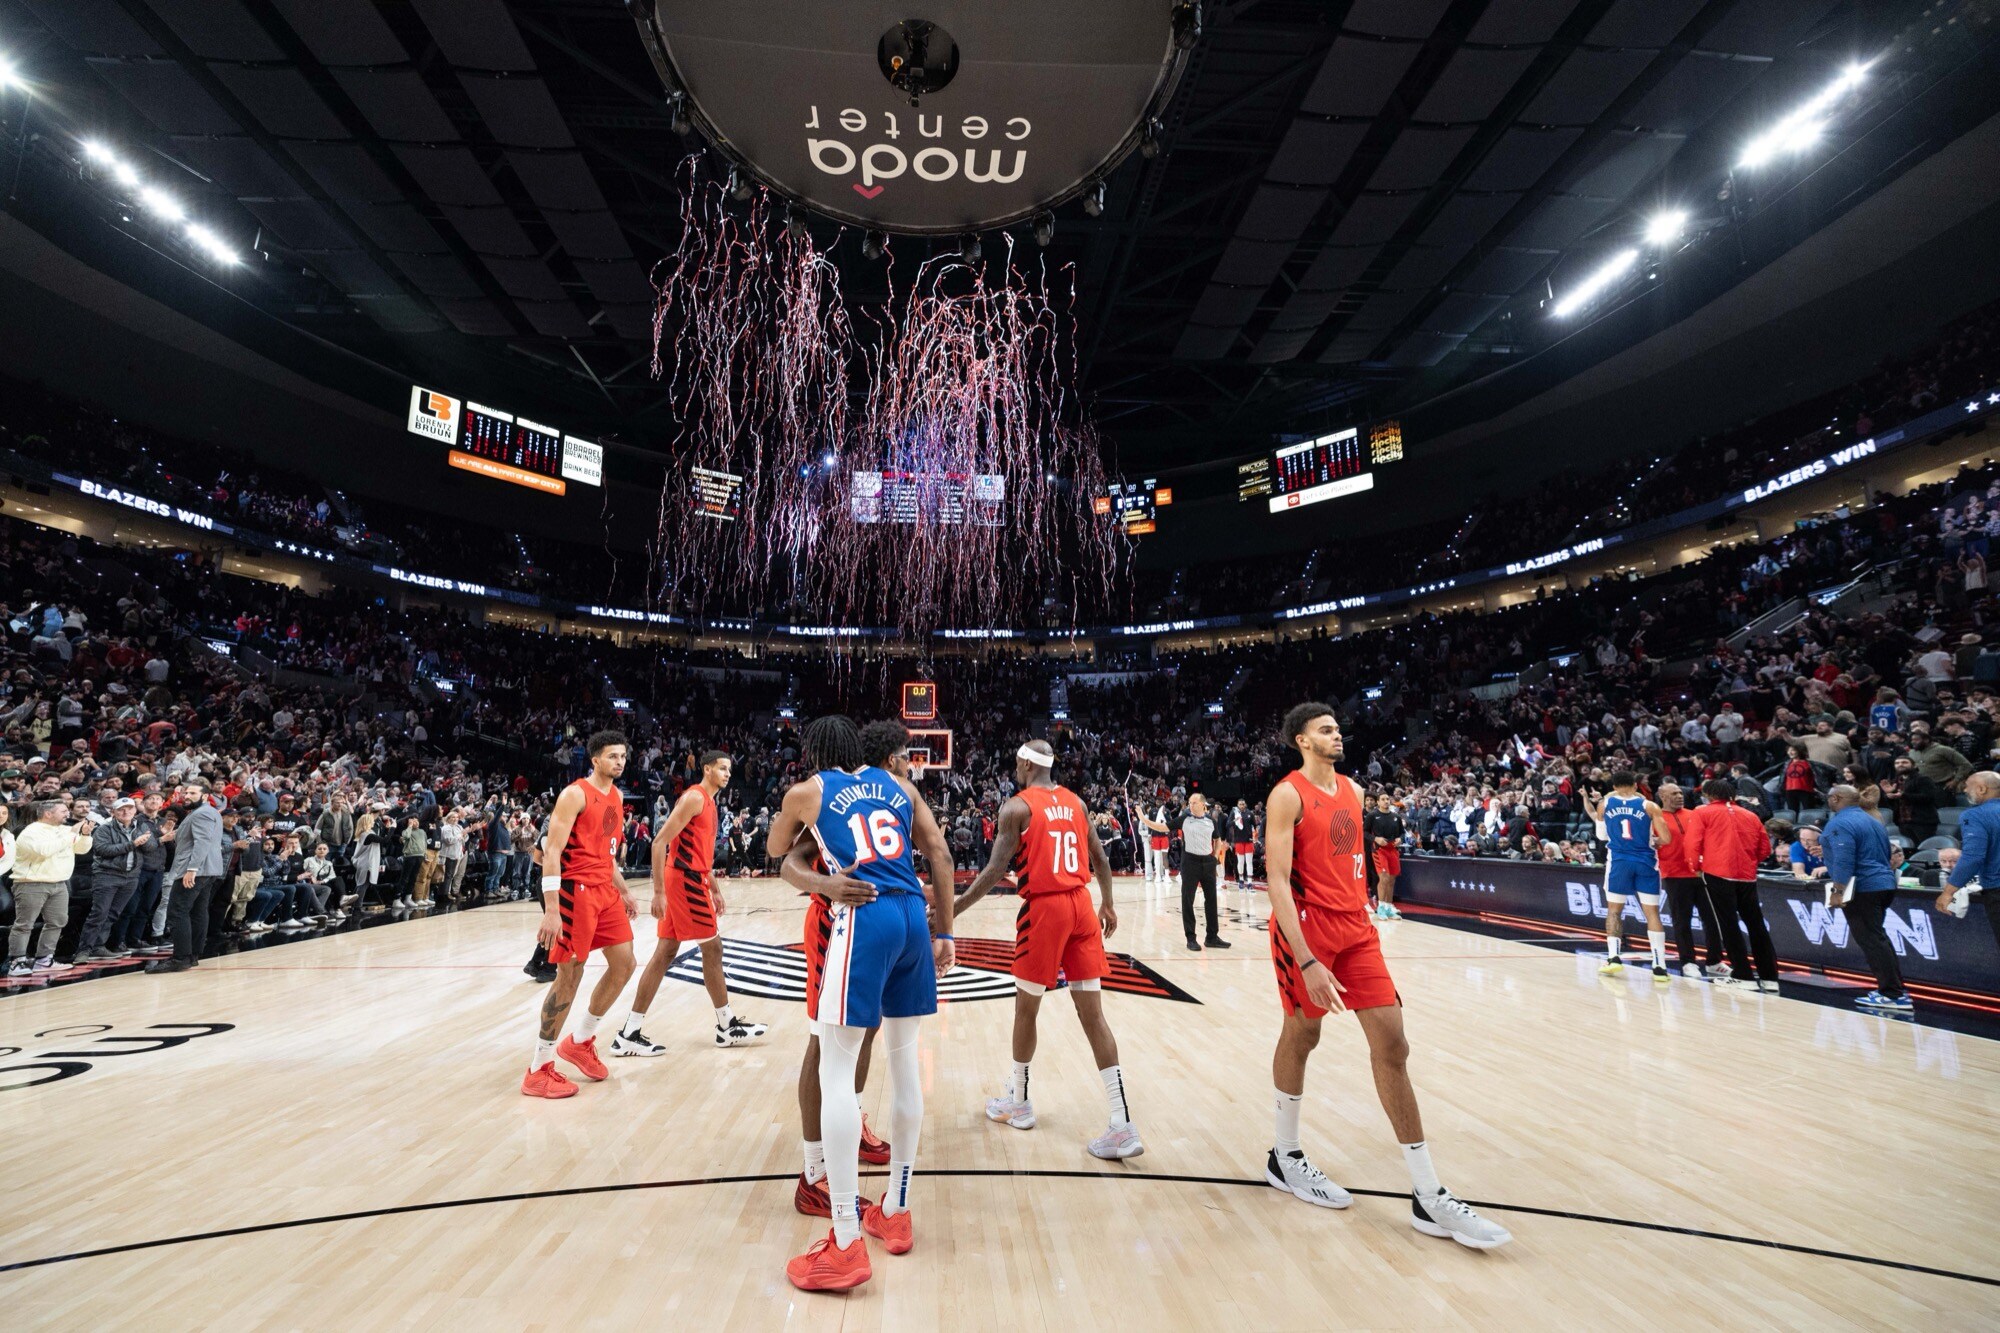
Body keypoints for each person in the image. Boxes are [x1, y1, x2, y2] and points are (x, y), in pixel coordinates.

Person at [1261, 702, 1511, 1248]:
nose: (1337, 733)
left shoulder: (1353, 791)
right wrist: (1306, 958)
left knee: (1393, 1044)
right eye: (1325, 729)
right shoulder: (1286, 795)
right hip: (1307, 933)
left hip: (1356, 930)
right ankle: (1285, 1156)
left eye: (1336, 726)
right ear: (1302, 741)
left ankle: (1427, 1195)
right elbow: (1277, 880)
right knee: (1304, 1034)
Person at [770, 715, 956, 1292]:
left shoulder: (809, 790)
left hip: (863, 913)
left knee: (835, 1067)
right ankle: (895, 1210)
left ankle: (846, 1238)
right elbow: (941, 856)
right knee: (905, 1062)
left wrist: (812, 845)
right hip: (912, 919)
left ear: (814, 751)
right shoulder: (900, 786)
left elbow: (778, 851)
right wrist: (945, 931)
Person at [955, 738, 1141, 1160]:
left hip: (1046, 911)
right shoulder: (1076, 803)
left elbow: (993, 871)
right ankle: (1121, 1123)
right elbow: (1101, 860)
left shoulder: (1017, 807)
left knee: (1027, 1010)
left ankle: (1019, 1101)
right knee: (1093, 1017)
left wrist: (954, 910)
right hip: (1081, 908)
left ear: (1024, 762)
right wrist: (1107, 903)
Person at [771, 720, 907, 1223]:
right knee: (822, 1042)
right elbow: (781, 858)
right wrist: (824, 884)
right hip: (833, 928)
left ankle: (849, 1123)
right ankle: (813, 1173)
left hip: (870, 927)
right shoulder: (818, 797)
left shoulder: (878, 795)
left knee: (864, 1031)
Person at [615, 749, 768, 1055]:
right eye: (721, 768)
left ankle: (629, 1033)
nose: (727, 773)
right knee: (712, 948)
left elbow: (700, 855)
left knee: (665, 953)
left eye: (729, 769)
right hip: (683, 881)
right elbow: (660, 843)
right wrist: (658, 892)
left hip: (693, 878)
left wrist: (714, 886)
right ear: (707, 768)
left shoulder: (710, 803)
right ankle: (727, 1026)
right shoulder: (695, 798)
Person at [521, 731, 641, 1100]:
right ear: (595, 759)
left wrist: (623, 890)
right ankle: (538, 1069)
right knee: (568, 977)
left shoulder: (618, 796)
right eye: (612, 756)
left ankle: (581, 1040)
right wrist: (552, 910)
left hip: (605, 890)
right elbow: (552, 851)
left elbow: (605, 852)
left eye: (622, 756)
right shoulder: (574, 794)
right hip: (576, 894)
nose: (619, 762)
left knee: (625, 964)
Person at [1682, 778, 1779, 993]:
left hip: (1717, 873)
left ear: (1710, 795)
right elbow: (1764, 850)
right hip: (1746, 876)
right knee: (1756, 926)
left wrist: (1695, 866)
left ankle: (1743, 975)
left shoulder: (1702, 812)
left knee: (1728, 925)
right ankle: (1770, 977)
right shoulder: (1751, 815)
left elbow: (1692, 843)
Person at [1820, 785, 1909, 1013]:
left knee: (1872, 940)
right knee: (1878, 937)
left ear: (1837, 798)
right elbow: (1885, 853)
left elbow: (1843, 858)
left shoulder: (1839, 823)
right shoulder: (1873, 821)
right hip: (1884, 883)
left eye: (1829, 797)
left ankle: (1892, 995)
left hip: (1863, 887)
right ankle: (1895, 990)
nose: (1827, 801)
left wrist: (1838, 892)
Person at [1585, 771, 1672, 980]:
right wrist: (1653, 840)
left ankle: (1614, 958)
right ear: (1635, 785)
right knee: (1652, 913)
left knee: (1614, 911)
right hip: (1646, 863)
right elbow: (1667, 839)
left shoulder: (1604, 805)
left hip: (1619, 862)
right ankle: (1659, 966)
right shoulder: (1650, 806)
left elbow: (1601, 836)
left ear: (1614, 786)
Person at [7, 799, 94, 975]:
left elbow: (81, 850)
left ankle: (44, 960)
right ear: (48, 813)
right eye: (63, 811)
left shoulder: (64, 830)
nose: (67, 814)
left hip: (59, 883)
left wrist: (85, 835)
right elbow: (44, 850)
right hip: (31, 883)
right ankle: (16, 962)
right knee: (25, 924)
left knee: (57, 922)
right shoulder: (30, 831)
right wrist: (71, 835)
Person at [150, 780, 226, 974]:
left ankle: (180, 957)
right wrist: (174, 835)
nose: (187, 795)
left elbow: (202, 842)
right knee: (198, 912)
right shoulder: (208, 813)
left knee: (177, 911)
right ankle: (191, 955)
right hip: (208, 870)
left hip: (195, 870)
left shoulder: (202, 814)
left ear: (204, 796)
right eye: (186, 792)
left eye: (192, 793)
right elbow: (197, 839)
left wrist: (192, 869)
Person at [1654, 784, 1717, 977]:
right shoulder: (1655, 819)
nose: (1680, 796)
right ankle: (1688, 961)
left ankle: (1715, 961)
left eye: (1681, 793)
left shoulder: (1694, 814)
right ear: (1662, 796)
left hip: (1701, 873)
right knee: (1682, 921)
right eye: (1674, 793)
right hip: (1674, 874)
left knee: (1712, 920)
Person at [76, 797, 148, 960]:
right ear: (113, 812)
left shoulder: (140, 827)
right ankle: (83, 950)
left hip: (131, 876)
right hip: (107, 875)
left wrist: (154, 839)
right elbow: (102, 850)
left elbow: (150, 848)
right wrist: (133, 844)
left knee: (114, 913)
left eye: (129, 808)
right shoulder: (104, 829)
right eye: (122, 809)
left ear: (135, 811)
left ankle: (98, 946)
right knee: (99, 913)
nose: (126, 812)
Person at [1941, 770, 2000, 956]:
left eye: (1968, 785)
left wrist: (1948, 891)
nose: (1964, 789)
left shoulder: (1975, 815)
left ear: (1982, 789)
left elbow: (1973, 856)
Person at [1178, 793, 1226, 951]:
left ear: (1203, 804)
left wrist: (1215, 857)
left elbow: (1217, 839)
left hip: (1208, 863)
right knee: (1188, 900)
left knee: (1212, 900)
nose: (1190, 805)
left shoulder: (1210, 821)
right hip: (1190, 863)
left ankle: (1212, 937)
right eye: (1189, 803)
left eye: (1194, 802)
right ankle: (1190, 938)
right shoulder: (1185, 818)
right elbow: (1164, 827)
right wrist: (1143, 819)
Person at [1369, 793, 1405, 920]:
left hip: (1392, 849)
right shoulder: (1373, 815)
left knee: (1391, 879)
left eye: (1387, 799)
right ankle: (1381, 907)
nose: (1386, 801)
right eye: (1383, 799)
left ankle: (1389, 907)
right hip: (1379, 850)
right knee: (1383, 878)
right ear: (1378, 802)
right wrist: (1375, 838)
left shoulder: (1396, 816)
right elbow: (1363, 831)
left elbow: (1402, 833)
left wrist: (1400, 839)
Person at [1140, 799, 1172, 883]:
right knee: (1157, 856)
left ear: (1163, 802)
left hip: (1164, 836)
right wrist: (1150, 835)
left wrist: (1165, 813)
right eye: (1157, 801)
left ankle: (1166, 875)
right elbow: (1150, 824)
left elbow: (1170, 822)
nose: (1158, 802)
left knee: (1164, 856)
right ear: (1155, 802)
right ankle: (1157, 875)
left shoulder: (1167, 811)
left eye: (1160, 801)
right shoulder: (1152, 811)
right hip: (1155, 836)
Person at [1228, 798, 1257, 888]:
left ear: (1245, 805)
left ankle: (1249, 882)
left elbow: (1255, 826)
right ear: (1237, 805)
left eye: (1243, 804)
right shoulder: (1234, 813)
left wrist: (1254, 837)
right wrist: (1234, 820)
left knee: (1249, 862)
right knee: (1240, 862)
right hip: (1238, 840)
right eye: (1240, 804)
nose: (1241, 805)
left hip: (1248, 841)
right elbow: (1228, 825)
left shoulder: (1250, 813)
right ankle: (1241, 880)